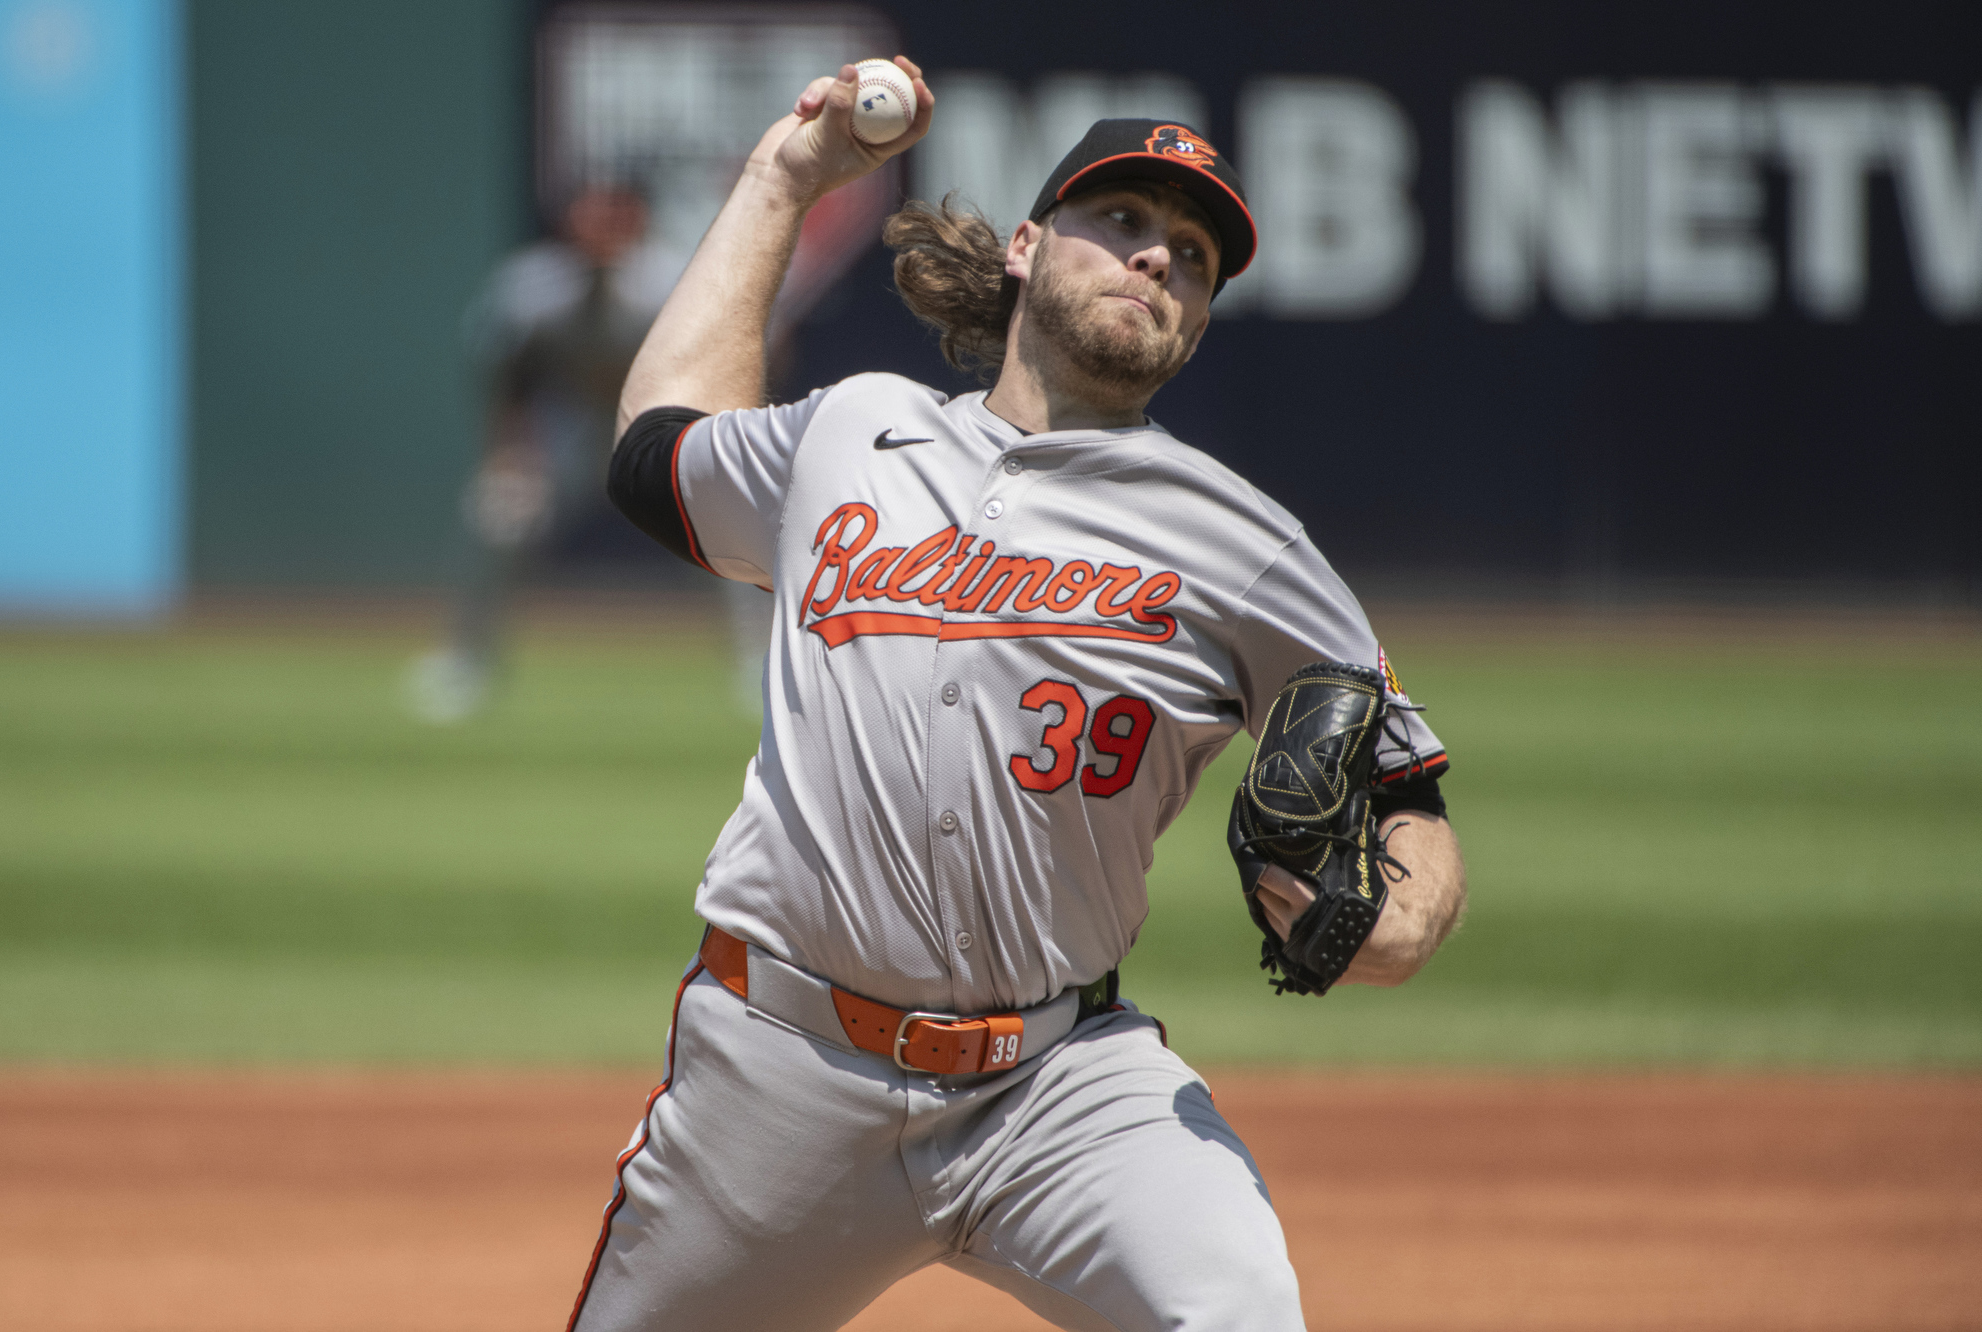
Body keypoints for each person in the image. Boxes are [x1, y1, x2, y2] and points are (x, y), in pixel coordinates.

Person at [574, 58, 1467, 1331]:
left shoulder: (1246, 541)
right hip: (777, 1078)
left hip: (1060, 1089)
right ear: (1027, 247)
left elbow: (1407, 797)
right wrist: (784, 178)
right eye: (1123, 222)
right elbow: (653, 446)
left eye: (1192, 258)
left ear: (1198, 322)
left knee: (1235, 1310)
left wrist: (1405, 918)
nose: (1156, 259)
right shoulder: (852, 431)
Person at [408, 183, 684, 722]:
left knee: (737, 531)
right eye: (590, 213)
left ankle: (764, 661)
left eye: (616, 213)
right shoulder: (532, 285)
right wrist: (510, 453)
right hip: (574, 426)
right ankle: (466, 663)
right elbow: (506, 378)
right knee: (497, 518)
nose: (602, 226)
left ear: (639, 221)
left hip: (661, 422)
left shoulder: (672, 280)